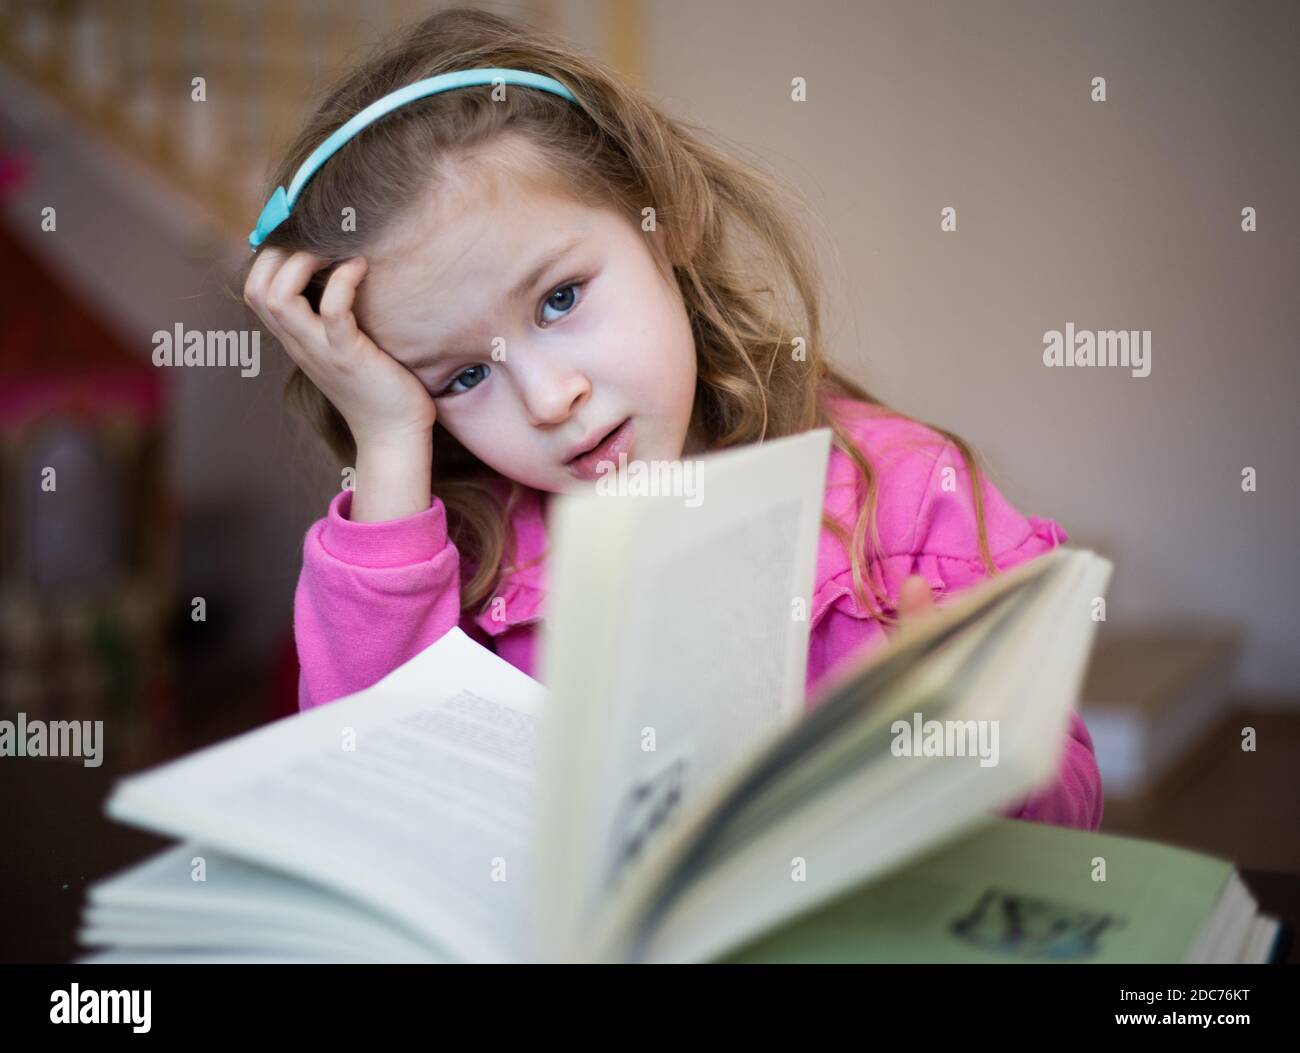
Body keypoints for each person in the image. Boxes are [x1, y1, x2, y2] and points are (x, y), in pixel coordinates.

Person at [238, 8, 1101, 832]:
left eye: (560, 298)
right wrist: (389, 437)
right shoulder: (467, 564)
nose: (549, 399)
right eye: (464, 375)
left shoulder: (909, 504)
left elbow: (1066, 808)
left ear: (665, 221)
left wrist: (968, 751)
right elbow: (375, 789)